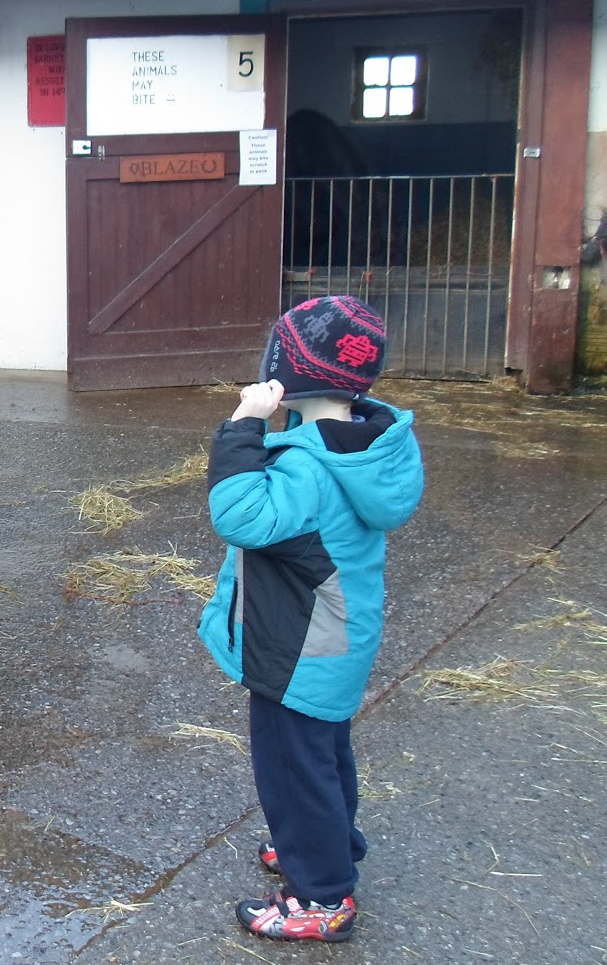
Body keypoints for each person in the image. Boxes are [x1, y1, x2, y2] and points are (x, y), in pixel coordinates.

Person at [197, 295, 424, 943]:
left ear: (290, 375)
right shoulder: (359, 448)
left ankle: (323, 896)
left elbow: (239, 513)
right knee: (324, 758)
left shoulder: (307, 466)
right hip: (336, 641)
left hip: (299, 648)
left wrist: (244, 424)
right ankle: (326, 843)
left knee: (294, 769)